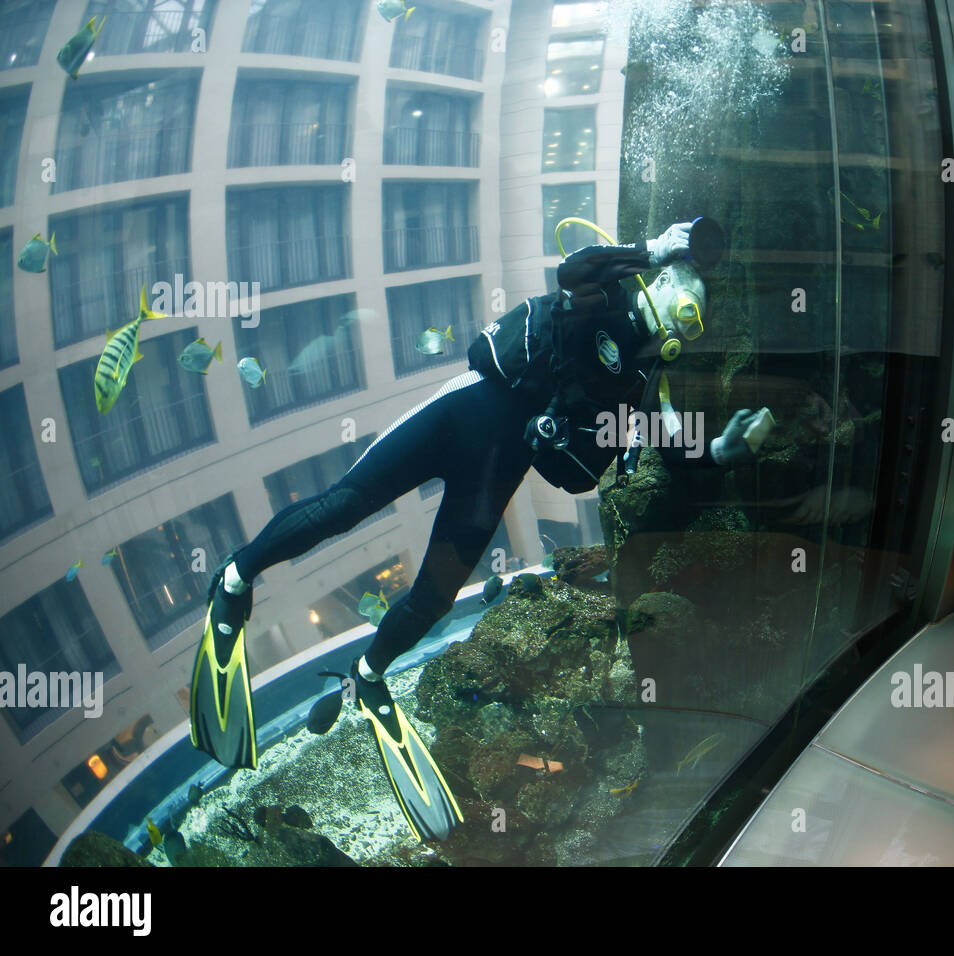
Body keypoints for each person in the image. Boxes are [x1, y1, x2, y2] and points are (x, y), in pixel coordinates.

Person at [189, 219, 773, 842]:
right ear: (656, 289)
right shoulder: (604, 295)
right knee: (344, 506)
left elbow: (666, 445)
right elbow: (574, 268)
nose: (669, 332)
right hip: (461, 410)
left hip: (496, 472)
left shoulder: (639, 386)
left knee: (438, 596)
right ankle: (235, 578)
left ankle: (370, 675)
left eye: (684, 329)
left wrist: (719, 449)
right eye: (677, 312)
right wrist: (651, 249)